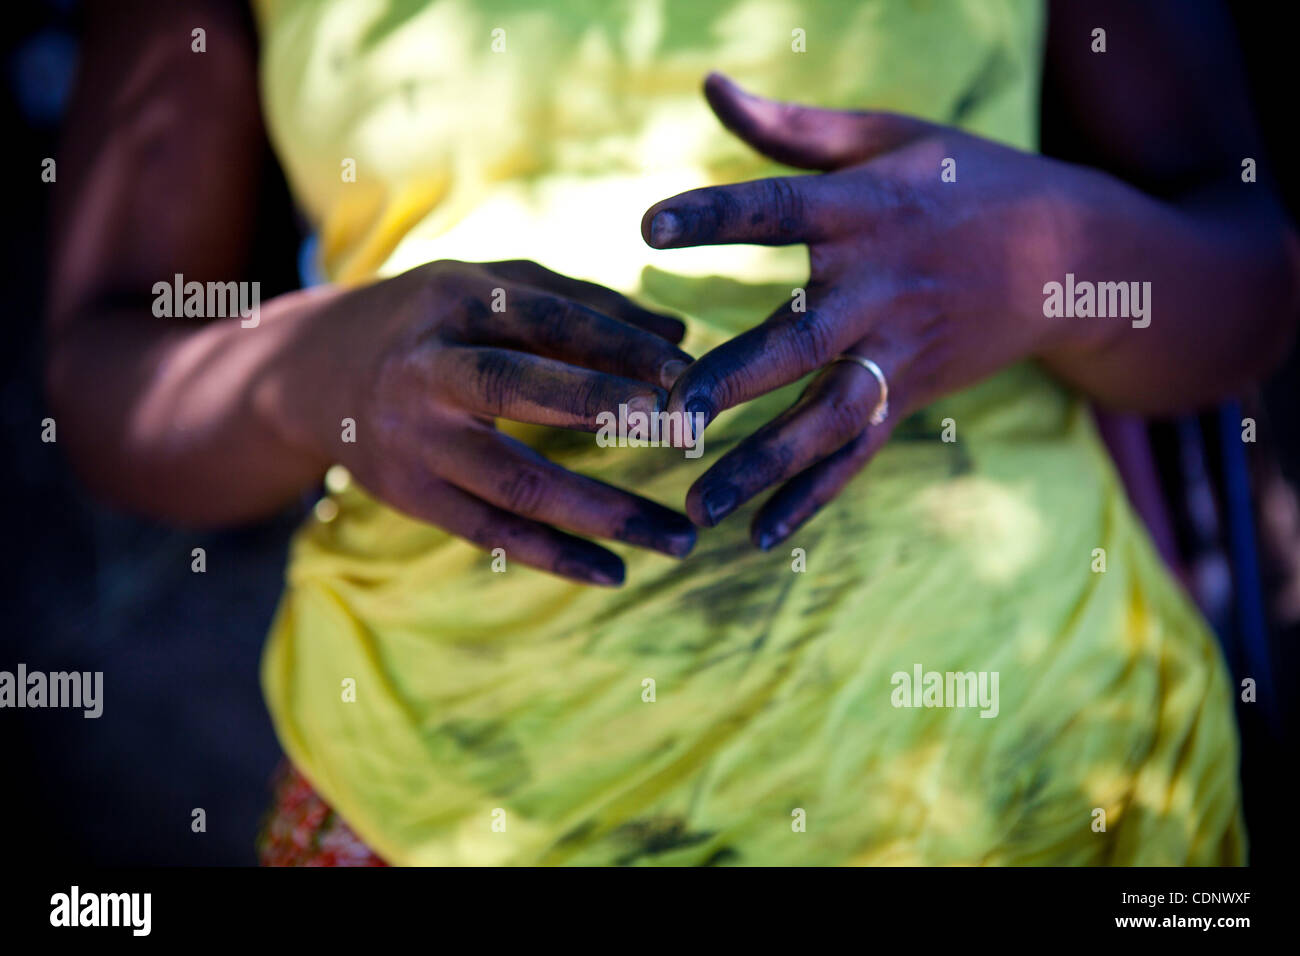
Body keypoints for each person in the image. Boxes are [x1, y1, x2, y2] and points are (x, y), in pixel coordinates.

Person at [48, 0, 1297, 865]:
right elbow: (104, 372)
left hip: (1035, 778)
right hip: (437, 797)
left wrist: (1035, 260)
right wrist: (319, 370)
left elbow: (1248, 274)